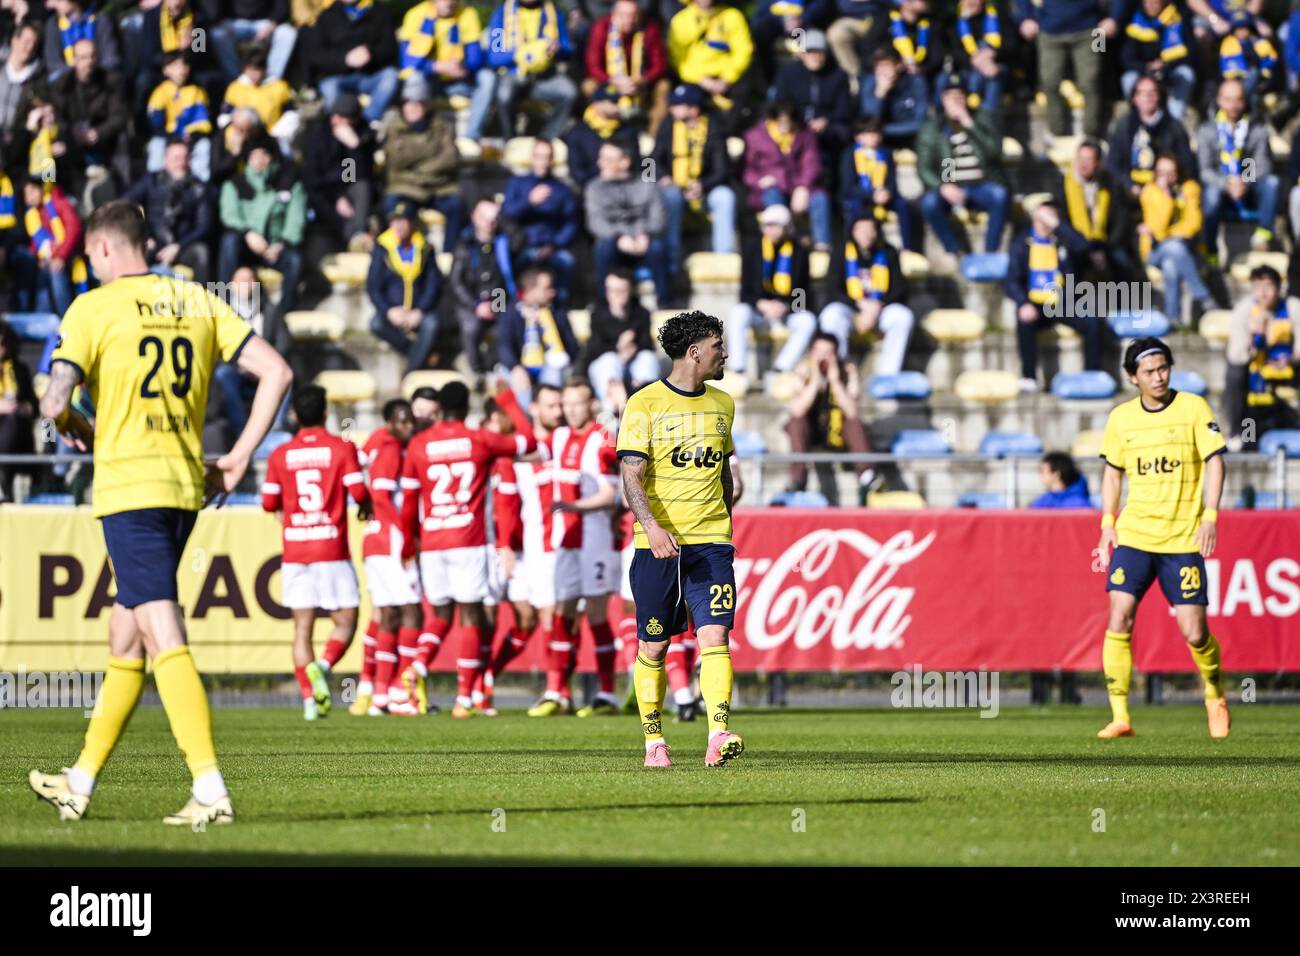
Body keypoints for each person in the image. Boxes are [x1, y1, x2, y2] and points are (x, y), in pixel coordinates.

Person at [29, 199, 294, 825]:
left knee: (161, 631)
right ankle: (81, 779)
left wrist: (68, 418)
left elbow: (51, 399)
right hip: (184, 488)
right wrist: (237, 459)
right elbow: (277, 371)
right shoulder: (197, 300)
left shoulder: (92, 307)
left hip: (131, 492)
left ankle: (210, 788)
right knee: (127, 634)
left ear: (100, 249)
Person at [617, 310, 743, 768]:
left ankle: (718, 733)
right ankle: (654, 742)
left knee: (716, 635)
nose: (724, 353)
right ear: (694, 353)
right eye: (717, 346)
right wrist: (652, 527)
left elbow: (725, 473)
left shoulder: (724, 403)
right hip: (658, 545)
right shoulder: (644, 403)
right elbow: (631, 476)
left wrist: (725, 516)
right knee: (654, 645)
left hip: (711, 542)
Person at [1096, 337, 1229, 741]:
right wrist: (1107, 524)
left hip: (1183, 538)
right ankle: (1121, 716)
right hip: (1136, 534)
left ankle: (1214, 693)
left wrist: (1211, 517)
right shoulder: (1121, 418)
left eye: (1164, 368)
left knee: (1194, 632)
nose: (1159, 377)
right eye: (1150, 372)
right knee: (1119, 614)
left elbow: (1216, 462)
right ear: (1133, 378)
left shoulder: (1193, 408)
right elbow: (1112, 473)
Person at [398, 381, 537, 718]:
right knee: (471, 616)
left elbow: (409, 501)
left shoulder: (419, 444)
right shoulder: (479, 439)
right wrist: (508, 399)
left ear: (442, 408)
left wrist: (407, 544)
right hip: (467, 541)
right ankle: (464, 698)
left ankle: (416, 666)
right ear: (466, 407)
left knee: (441, 615)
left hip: (431, 542)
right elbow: (528, 442)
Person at [261, 385, 369, 721]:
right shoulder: (341, 448)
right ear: (326, 412)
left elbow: (268, 503)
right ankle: (321, 668)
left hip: (295, 550)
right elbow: (358, 490)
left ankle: (309, 701)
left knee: (302, 629)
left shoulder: (280, 454)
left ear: (294, 415)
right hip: (330, 547)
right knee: (346, 622)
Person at [539, 378, 621, 716]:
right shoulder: (557, 437)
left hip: (596, 540)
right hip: (565, 538)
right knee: (563, 612)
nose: (571, 410)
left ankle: (606, 694)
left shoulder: (603, 439)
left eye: (577, 403)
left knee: (597, 615)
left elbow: (610, 494)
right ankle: (556, 691)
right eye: (566, 403)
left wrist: (574, 507)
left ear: (591, 405)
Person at [356, 398, 421, 715]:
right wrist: (405, 536)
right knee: (411, 611)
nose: (409, 425)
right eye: (403, 420)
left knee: (387, 615)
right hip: (389, 540)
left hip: (376, 540)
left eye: (411, 420)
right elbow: (382, 496)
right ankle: (398, 691)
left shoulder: (374, 443)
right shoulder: (391, 447)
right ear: (390, 422)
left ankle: (379, 693)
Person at [1005, 198, 1102, 392]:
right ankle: (1029, 376)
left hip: (1064, 302)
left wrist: (1058, 226)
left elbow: (1083, 247)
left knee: (1092, 322)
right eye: (1042, 216)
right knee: (1024, 320)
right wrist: (1023, 303)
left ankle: (1092, 375)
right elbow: (1011, 279)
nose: (1045, 221)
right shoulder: (1021, 242)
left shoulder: (1065, 239)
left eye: (1051, 217)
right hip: (1035, 303)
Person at [917, 72, 1008, 260]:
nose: (956, 102)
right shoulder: (933, 128)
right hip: (950, 183)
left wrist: (970, 124)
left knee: (1000, 195)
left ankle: (990, 252)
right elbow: (923, 167)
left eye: (960, 97)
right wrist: (943, 186)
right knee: (929, 203)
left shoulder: (982, 119)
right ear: (943, 100)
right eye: (951, 97)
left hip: (981, 183)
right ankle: (955, 251)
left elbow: (994, 151)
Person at [651, 81, 736, 278]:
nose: (672, 108)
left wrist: (702, 185)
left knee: (725, 197)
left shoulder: (714, 126)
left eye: (678, 105)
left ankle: (723, 258)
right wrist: (663, 177)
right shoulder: (667, 125)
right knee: (670, 197)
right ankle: (672, 259)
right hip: (675, 188)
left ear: (694, 108)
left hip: (705, 189)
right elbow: (652, 160)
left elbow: (722, 169)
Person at [217, 135, 306, 318]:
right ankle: (224, 305)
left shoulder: (289, 183)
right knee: (228, 242)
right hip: (245, 245)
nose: (259, 160)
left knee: (295, 260)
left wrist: (281, 243)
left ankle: (282, 317)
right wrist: (247, 233)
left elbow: (296, 219)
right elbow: (229, 215)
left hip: (275, 247)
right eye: (254, 155)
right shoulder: (235, 183)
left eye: (264, 154)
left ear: (272, 157)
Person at [726, 203, 815, 382]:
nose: (770, 230)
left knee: (807, 321)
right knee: (738, 313)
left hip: (785, 313)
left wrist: (785, 306)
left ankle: (781, 369)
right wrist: (762, 304)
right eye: (767, 225)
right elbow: (746, 291)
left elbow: (803, 292)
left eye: (775, 225)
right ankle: (738, 369)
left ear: (786, 227)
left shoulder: (799, 252)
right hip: (759, 311)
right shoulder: (752, 249)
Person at [784, 331, 873, 504]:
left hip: (838, 431)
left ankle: (867, 475)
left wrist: (835, 381)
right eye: (818, 351)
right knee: (796, 423)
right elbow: (798, 410)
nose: (823, 357)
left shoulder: (847, 371)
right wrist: (816, 380)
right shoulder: (802, 370)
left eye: (828, 352)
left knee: (854, 424)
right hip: (811, 431)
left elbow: (852, 412)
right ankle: (798, 480)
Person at [819, 213, 913, 375]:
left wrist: (877, 305)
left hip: (880, 309)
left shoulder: (889, 252)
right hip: (851, 308)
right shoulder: (840, 252)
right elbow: (832, 290)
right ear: (852, 232)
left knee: (903, 316)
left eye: (870, 229)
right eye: (861, 230)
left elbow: (899, 289)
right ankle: (838, 368)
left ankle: (889, 373)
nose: (866, 234)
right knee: (831, 314)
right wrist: (859, 304)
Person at [381, 73, 463, 253]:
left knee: (457, 206)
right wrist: (429, 154)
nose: (412, 108)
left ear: (426, 105)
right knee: (394, 210)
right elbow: (396, 160)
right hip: (405, 187)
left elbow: (450, 158)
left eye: (417, 103)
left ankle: (450, 255)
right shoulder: (394, 128)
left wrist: (419, 169)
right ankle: (398, 256)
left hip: (438, 187)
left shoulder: (441, 127)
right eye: (408, 103)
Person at [1196, 77, 1277, 257]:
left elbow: (1262, 163)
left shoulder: (1256, 128)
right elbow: (1205, 169)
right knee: (1210, 196)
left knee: (1271, 183)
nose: (1233, 105)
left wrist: (1245, 181)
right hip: (1220, 186)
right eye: (1228, 99)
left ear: (1244, 100)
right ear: (1219, 100)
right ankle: (1211, 250)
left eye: (1238, 99)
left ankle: (1263, 235)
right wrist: (1227, 183)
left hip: (1248, 185)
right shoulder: (1207, 130)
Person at [585, 140, 670, 305]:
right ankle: (603, 303)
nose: (600, 163)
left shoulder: (647, 185)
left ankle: (665, 302)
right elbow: (595, 223)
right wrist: (620, 236)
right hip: (615, 244)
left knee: (658, 248)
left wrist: (641, 234)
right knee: (603, 247)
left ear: (625, 162)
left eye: (607, 160)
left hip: (644, 242)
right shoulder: (594, 187)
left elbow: (659, 220)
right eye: (601, 159)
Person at [1225, 264, 1299, 451]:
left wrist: (1290, 359)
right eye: (1258, 287)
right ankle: (1238, 435)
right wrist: (1252, 336)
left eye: (1268, 286)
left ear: (1278, 287)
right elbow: (1236, 356)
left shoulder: (1292, 307)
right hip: (1254, 380)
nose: (1264, 293)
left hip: (1288, 372)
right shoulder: (1245, 310)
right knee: (1234, 376)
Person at [481, 0, 578, 141]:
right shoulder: (501, 14)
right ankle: (510, 139)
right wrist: (521, 53)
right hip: (514, 74)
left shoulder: (554, 13)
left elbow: (567, 49)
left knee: (569, 92)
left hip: (544, 76)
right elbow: (494, 57)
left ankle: (547, 139)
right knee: (503, 95)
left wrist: (558, 49)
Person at [1139, 153, 1216, 326]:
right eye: (1161, 172)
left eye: (1170, 172)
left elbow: (1193, 225)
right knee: (1174, 247)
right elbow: (1157, 228)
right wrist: (1166, 198)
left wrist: (1167, 234)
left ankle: (1173, 318)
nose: (1165, 177)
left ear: (1178, 172)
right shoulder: (1150, 192)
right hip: (1154, 252)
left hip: (1187, 250)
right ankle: (1203, 296)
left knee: (1171, 264)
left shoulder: (1190, 188)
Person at [741, 101, 831, 250]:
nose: (785, 126)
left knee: (820, 198)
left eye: (788, 122)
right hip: (768, 189)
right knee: (773, 198)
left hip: (799, 186)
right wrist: (759, 181)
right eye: (780, 121)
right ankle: (780, 242)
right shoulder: (754, 136)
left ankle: (822, 245)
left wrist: (803, 187)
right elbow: (746, 169)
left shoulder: (805, 135)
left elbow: (811, 163)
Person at [1016, 0, 1111, 141]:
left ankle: (1092, 136)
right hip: (1048, 30)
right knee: (1048, 82)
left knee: (1092, 81)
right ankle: (1057, 134)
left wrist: (1115, 17)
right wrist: (1025, 17)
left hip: (1094, 29)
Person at [367, 200, 442, 375]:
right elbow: (373, 286)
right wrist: (388, 310)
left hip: (417, 309)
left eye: (403, 220)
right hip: (393, 308)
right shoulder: (382, 248)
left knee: (431, 323)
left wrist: (420, 310)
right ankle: (421, 353)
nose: (398, 225)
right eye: (394, 221)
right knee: (376, 323)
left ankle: (410, 372)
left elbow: (433, 283)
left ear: (412, 222)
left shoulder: (425, 248)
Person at [123, 138, 214, 283]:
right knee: (137, 252)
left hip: (183, 245)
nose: (181, 162)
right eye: (176, 158)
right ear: (166, 159)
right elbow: (125, 204)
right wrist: (143, 236)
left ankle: (201, 302)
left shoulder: (199, 187)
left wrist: (178, 246)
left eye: (185, 158)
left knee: (202, 253)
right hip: (153, 242)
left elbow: (204, 226)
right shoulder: (151, 181)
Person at [448, 197, 520, 378]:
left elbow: (521, 238)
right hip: (472, 298)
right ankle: (477, 372)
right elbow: (457, 282)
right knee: (471, 327)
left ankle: (497, 368)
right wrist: (476, 305)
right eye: (483, 216)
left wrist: (502, 217)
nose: (489, 221)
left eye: (493, 216)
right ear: (473, 216)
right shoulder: (465, 244)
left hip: (499, 295)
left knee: (504, 326)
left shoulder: (503, 241)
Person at [502, 138, 579, 300]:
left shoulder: (562, 189)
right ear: (532, 158)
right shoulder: (517, 183)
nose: (543, 161)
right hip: (522, 246)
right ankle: (514, 306)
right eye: (539, 156)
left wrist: (554, 244)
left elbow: (571, 222)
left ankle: (559, 309)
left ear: (552, 160)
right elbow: (507, 214)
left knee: (567, 261)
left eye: (547, 157)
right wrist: (529, 202)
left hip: (552, 247)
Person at [1051, 138, 1134, 282]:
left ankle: (1123, 304)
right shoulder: (1062, 184)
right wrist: (1086, 249)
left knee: (1123, 263)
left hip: (1105, 242)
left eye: (1088, 160)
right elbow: (1062, 223)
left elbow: (1121, 221)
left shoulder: (1112, 185)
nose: (1083, 164)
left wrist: (1104, 248)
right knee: (1070, 265)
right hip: (1075, 242)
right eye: (1080, 158)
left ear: (1098, 163)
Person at [307, 0, 400, 127]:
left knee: (390, 76)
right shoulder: (326, 16)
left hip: (371, 74)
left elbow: (390, 48)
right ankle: (339, 127)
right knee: (329, 88)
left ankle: (367, 124)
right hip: (338, 76)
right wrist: (345, 59)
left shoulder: (380, 12)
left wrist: (370, 54)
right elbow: (316, 56)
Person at [302, 91, 375, 251]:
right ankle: (352, 235)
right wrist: (337, 197)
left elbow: (356, 174)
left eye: (343, 118)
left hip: (345, 184)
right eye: (335, 116)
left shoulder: (363, 133)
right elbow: (313, 178)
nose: (337, 121)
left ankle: (358, 234)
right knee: (317, 198)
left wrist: (354, 147)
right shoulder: (318, 133)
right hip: (323, 190)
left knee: (362, 187)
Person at [584, 0, 671, 134]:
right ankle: (600, 130)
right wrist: (615, 82)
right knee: (588, 85)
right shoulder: (602, 27)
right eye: (623, 15)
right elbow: (593, 65)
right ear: (614, 15)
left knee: (664, 86)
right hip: (611, 84)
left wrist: (641, 80)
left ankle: (653, 137)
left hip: (641, 84)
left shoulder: (649, 28)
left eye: (633, 15)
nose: (629, 20)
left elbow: (659, 65)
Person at [1105, 74, 1195, 202]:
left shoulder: (1174, 127)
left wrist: (1168, 180)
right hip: (1130, 191)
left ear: (1159, 96)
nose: (1147, 97)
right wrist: (1129, 185)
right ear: (1134, 98)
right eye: (1142, 93)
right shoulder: (1123, 126)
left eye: (1152, 92)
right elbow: (1113, 164)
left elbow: (1187, 163)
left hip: (1166, 191)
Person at [584, 267, 661, 407]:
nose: (615, 295)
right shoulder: (597, 314)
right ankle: (612, 409)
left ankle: (648, 405)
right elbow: (594, 348)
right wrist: (618, 348)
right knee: (610, 361)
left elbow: (647, 345)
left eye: (621, 291)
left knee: (647, 358)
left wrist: (632, 349)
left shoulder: (641, 313)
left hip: (634, 366)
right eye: (611, 290)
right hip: (606, 366)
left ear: (631, 290)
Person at [499, 266, 580, 394]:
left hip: (552, 366)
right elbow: (504, 345)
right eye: (547, 288)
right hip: (522, 366)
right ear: (530, 290)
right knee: (516, 381)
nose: (553, 292)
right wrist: (516, 368)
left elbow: (572, 346)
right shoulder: (511, 312)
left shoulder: (557, 311)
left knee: (553, 375)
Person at [667, 0, 753, 119]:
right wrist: (702, 80)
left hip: (727, 77)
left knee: (744, 92)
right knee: (687, 102)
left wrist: (727, 78)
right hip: (696, 79)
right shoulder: (681, 21)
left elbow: (744, 51)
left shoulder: (732, 16)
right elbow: (678, 60)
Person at [1119, 0, 1195, 121]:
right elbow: (1127, 58)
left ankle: (1175, 120)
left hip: (1170, 70)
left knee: (1186, 73)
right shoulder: (1136, 22)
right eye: (1148, 3)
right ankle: (1138, 117)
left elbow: (1191, 53)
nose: (1151, 6)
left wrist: (1166, 65)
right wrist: (1146, 67)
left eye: (1156, 3)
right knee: (1128, 79)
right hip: (1144, 72)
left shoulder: (1178, 18)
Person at [145, 52, 212, 182]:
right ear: (165, 70)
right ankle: (155, 184)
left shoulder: (197, 91)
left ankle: (200, 186)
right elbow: (155, 124)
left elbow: (202, 122)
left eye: (184, 65)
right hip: (168, 138)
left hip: (190, 138)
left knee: (204, 146)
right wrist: (173, 138)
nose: (181, 70)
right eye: (175, 66)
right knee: (156, 145)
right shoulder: (160, 92)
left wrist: (192, 136)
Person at [209, 0, 298, 82]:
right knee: (218, 34)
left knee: (287, 33)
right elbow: (214, 8)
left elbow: (282, 7)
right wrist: (221, 21)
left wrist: (271, 25)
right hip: (234, 23)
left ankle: (271, 80)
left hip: (265, 22)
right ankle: (237, 81)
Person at [857, 48, 927, 149]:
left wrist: (884, 130)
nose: (881, 71)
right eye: (878, 66)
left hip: (911, 137)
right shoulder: (870, 83)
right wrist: (880, 94)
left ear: (899, 65)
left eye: (886, 65)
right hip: (881, 140)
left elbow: (920, 123)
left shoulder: (915, 81)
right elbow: (868, 124)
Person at [0, 317, 36, 502]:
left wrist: (22, 407)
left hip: (18, 431)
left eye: (3, 344)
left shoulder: (20, 370)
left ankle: (56, 471)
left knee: (50, 424)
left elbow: (35, 406)